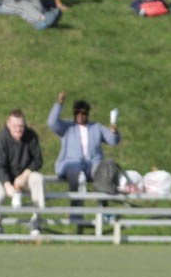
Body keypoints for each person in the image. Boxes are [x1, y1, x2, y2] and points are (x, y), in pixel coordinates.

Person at [47, 92, 122, 220]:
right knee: (76, 173)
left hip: (92, 165)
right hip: (71, 164)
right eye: (77, 113)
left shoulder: (96, 127)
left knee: (103, 170)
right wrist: (59, 103)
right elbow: (52, 123)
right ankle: (75, 212)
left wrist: (114, 129)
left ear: (88, 114)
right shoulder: (67, 127)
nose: (80, 116)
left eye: (83, 113)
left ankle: (103, 210)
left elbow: (113, 140)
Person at [0, 109, 48, 236]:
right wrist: (7, 185)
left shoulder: (31, 136)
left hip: (23, 175)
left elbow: (38, 160)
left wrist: (24, 175)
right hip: (2, 175)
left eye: (21, 126)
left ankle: (36, 222)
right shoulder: (1, 139)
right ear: (8, 124)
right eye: (15, 126)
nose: (18, 129)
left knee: (38, 178)